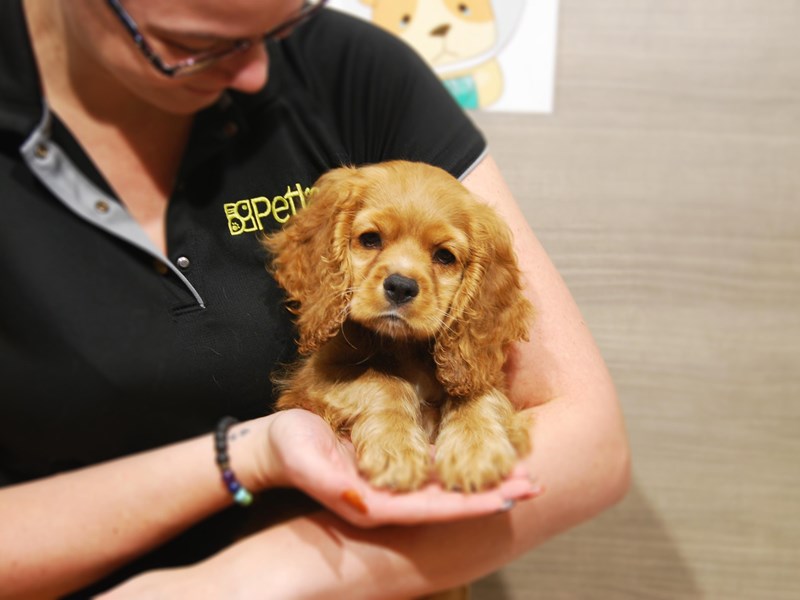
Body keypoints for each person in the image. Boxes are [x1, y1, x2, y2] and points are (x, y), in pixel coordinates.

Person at [0, 0, 631, 597]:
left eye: (278, 23)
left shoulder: (352, 73)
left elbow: (587, 441)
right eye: (190, 45)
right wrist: (245, 465)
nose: (255, 74)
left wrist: (249, 580)